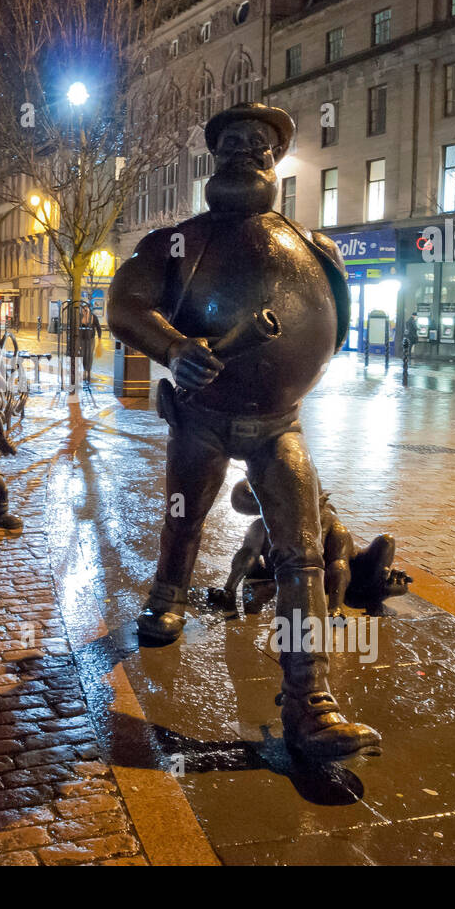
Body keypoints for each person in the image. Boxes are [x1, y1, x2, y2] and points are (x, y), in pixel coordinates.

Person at [108, 101, 379, 762]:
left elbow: (332, 331)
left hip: (277, 424)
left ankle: (309, 701)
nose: (243, 150)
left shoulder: (316, 248)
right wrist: (173, 349)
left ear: (275, 160)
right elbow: (123, 303)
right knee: (184, 516)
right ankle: (166, 595)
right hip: (200, 415)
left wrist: (285, 376)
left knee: (301, 553)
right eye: (231, 141)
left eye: (257, 143)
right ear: (214, 155)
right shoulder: (180, 241)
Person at [79, 303, 103, 383]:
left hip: (91, 339)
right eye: (83, 308)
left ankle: (88, 371)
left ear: (89, 309)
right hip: (82, 339)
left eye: (86, 308)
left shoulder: (93, 317)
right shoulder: (80, 317)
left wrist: (99, 338)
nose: (84, 310)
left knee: (89, 355)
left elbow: (98, 328)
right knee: (82, 355)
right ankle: (84, 370)